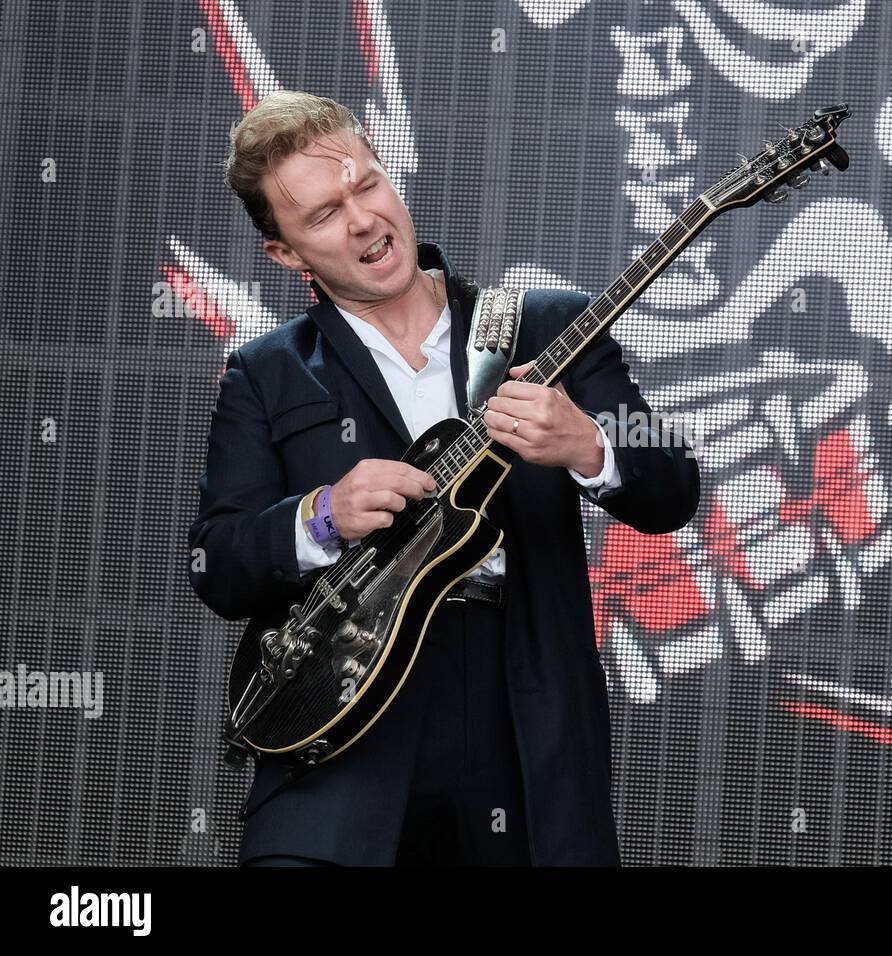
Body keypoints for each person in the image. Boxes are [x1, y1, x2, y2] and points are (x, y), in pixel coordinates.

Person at [187, 90, 699, 866]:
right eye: (323, 215)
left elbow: (671, 492)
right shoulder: (264, 373)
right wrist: (321, 515)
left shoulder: (542, 323)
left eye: (367, 185)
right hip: (343, 732)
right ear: (285, 254)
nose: (362, 220)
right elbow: (220, 564)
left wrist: (587, 444)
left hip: (520, 713)